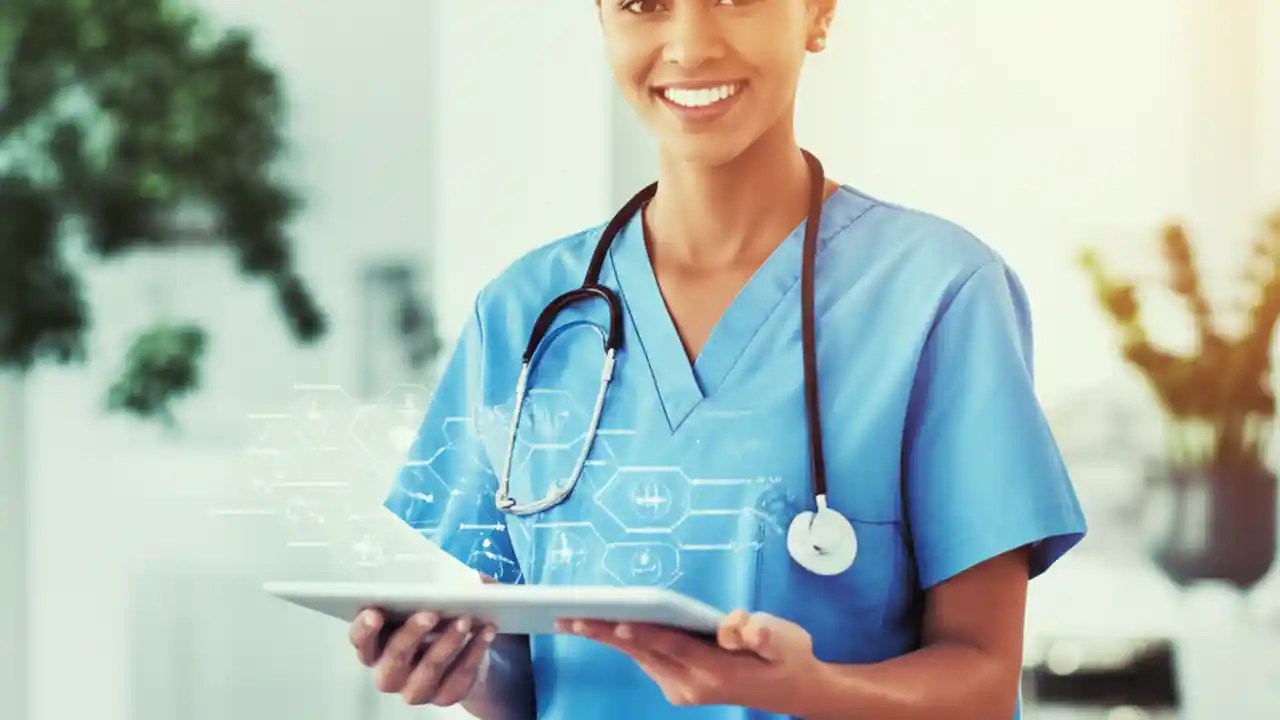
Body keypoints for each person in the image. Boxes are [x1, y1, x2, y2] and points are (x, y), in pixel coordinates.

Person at [350, 1, 1087, 718]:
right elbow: (531, 678)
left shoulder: (939, 294)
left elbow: (982, 683)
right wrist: (461, 669)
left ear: (820, 13)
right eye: (644, 4)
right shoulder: (522, 311)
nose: (690, 44)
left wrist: (806, 692)